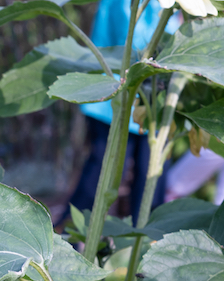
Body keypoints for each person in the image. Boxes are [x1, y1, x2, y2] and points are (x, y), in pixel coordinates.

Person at [65, 0, 180, 224]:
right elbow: (138, 43)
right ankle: (68, 233)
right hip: (111, 100)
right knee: (100, 177)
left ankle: (142, 243)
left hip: (151, 102)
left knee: (151, 177)